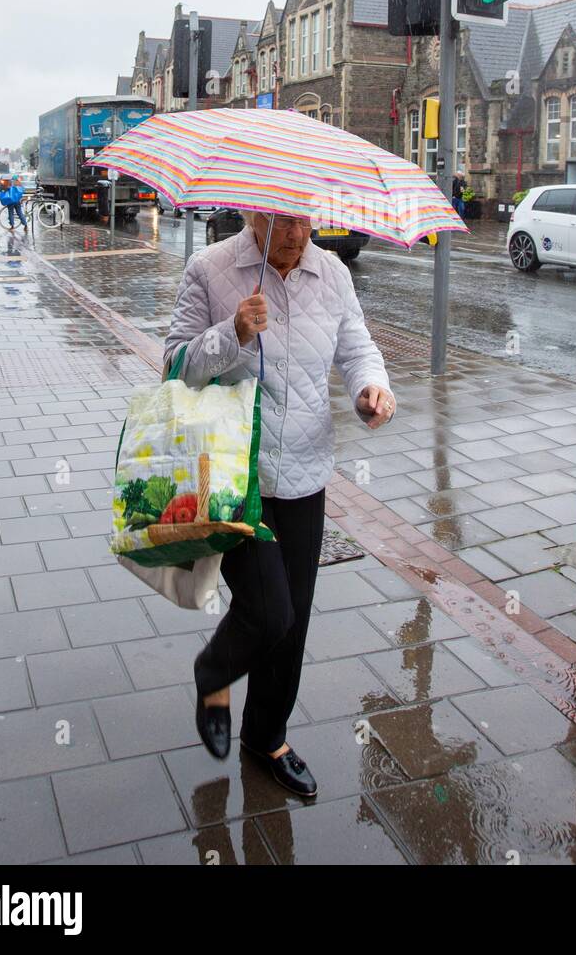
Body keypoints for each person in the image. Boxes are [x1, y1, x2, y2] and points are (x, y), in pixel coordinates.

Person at [164, 210, 396, 798]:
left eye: (304, 221)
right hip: (233, 477)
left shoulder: (332, 274)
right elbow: (174, 367)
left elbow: (357, 349)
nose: (296, 234)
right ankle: (214, 670)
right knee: (269, 612)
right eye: (282, 221)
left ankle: (266, 736)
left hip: (305, 474)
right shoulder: (211, 269)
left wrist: (372, 389)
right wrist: (232, 333)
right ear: (251, 212)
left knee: (293, 621)